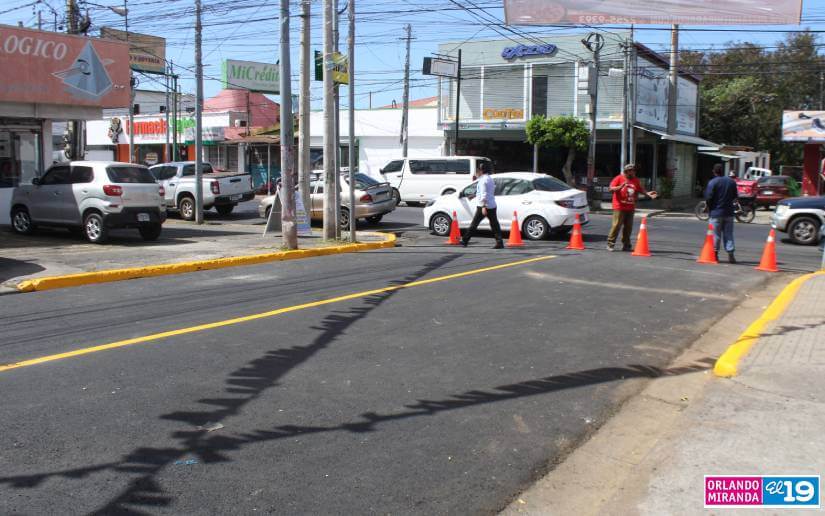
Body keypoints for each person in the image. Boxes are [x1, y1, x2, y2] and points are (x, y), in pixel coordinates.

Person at [606, 164, 658, 251]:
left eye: (634, 171)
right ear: (627, 171)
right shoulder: (619, 178)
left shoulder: (635, 180)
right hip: (619, 207)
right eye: (632, 171)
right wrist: (620, 187)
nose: (634, 172)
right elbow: (610, 189)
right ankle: (610, 244)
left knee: (628, 227)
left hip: (630, 207)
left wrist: (648, 194)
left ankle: (626, 245)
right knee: (616, 225)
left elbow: (640, 189)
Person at [461, 161, 504, 249]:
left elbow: (484, 194)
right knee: (494, 224)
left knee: (474, 224)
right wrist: (473, 196)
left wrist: (484, 206)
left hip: (484, 206)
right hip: (491, 205)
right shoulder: (489, 179)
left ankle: (465, 240)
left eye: (478, 170)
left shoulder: (483, 180)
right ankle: (499, 242)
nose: (477, 172)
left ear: (481, 171)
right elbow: (485, 192)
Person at [705, 163, 739, 263]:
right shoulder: (731, 182)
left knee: (716, 235)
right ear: (723, 171)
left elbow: (708, 198)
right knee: (729, 234)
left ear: (714, 171)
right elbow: (735, 196)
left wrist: (709, 208)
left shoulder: (712, 182)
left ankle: (715, 255)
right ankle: (731, 254)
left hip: (716, 213)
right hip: (729, 213)